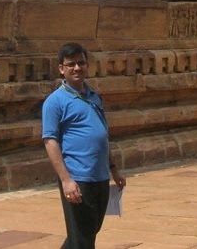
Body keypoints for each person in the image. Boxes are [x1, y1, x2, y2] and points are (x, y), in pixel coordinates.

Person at [41, 42, 127, 248]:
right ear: (61, 69)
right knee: (82, 239)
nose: (77, 68)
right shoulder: (55, 101)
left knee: (84, 234)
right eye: (71, 64)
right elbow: (50, 141)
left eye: (81, 63)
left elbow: (102, 136)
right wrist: (66, 180)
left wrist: (114, 169)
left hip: (100, 177)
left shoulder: (94, 97)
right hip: (78, 178)